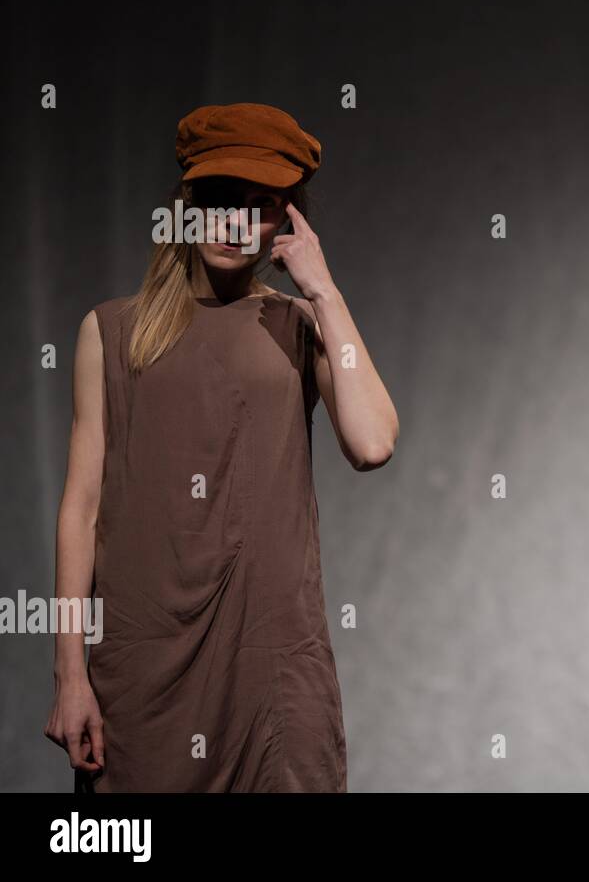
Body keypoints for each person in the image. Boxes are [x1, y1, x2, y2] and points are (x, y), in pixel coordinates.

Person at [44, 102, 400, 791]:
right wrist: (69, 675)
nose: (237, 222)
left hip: (270, 663)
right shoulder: (112, 332)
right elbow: (81, 513)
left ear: (286, 220)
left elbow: (373, 441)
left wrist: (322, 289)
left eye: (261, 205)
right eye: (217, 199)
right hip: (144, 670)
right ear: (186, 205)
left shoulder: (295, 324)